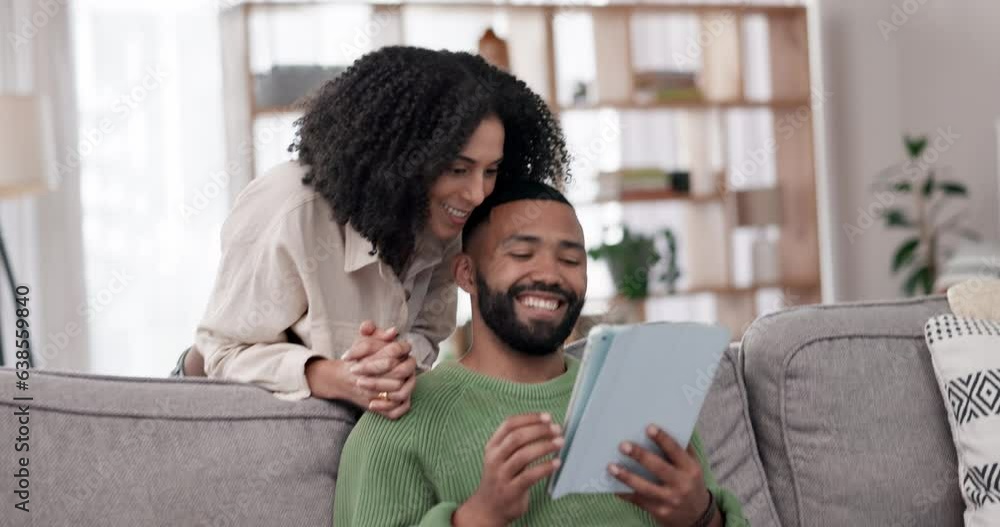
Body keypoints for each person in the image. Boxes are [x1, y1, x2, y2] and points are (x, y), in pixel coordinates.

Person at [174, 46, 569, 422]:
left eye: (491, 170)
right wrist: (337, 376)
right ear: (400, 158)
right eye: (457, 169)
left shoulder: (447, 221)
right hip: (219, 415)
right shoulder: (291, 208)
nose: (478, 193)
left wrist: (394, 363)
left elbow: (427, 334)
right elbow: (219, 353)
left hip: (343, 422)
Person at [333, 182, 746, 526]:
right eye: (521, 254)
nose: (550, 275)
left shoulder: (644, 401)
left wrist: (703, 516)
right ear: (466, 273)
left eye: (570, 259)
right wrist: (478, 517)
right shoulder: (395, 426)